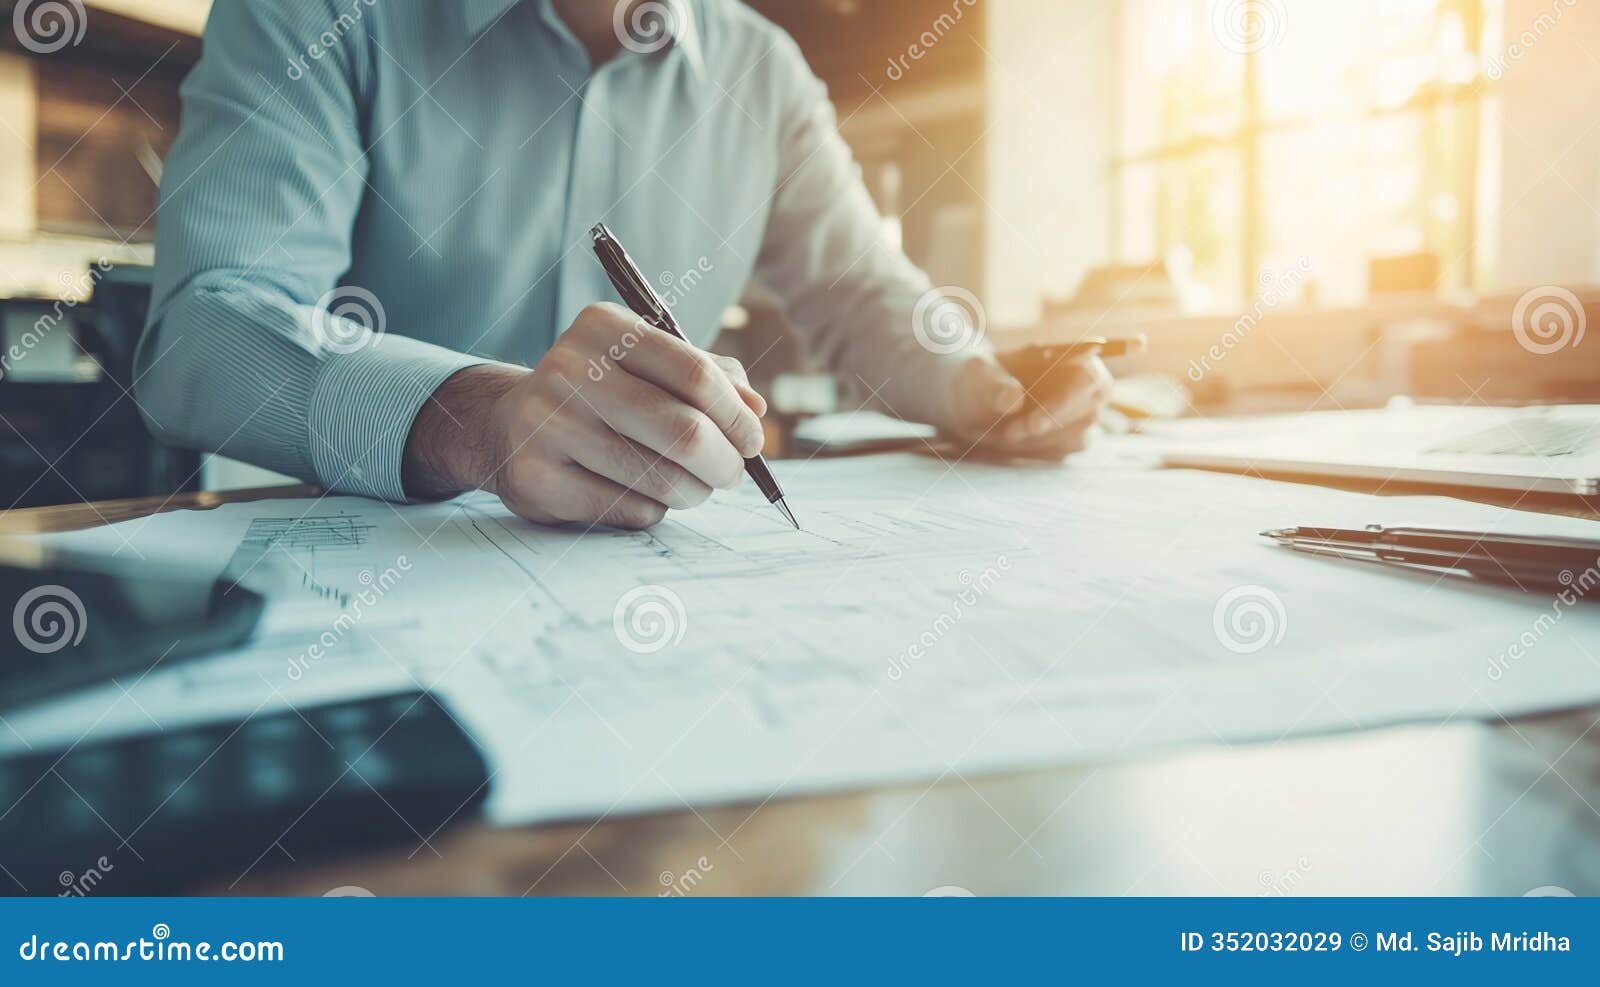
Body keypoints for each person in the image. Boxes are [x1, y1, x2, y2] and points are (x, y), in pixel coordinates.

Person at [137, 0, 1111, 530]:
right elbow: (205, 329)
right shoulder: (313, 14)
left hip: (647, 605)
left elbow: (861, 289)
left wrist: (981, 390)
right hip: (347, 577)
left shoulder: (761, 69)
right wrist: (477, 423)